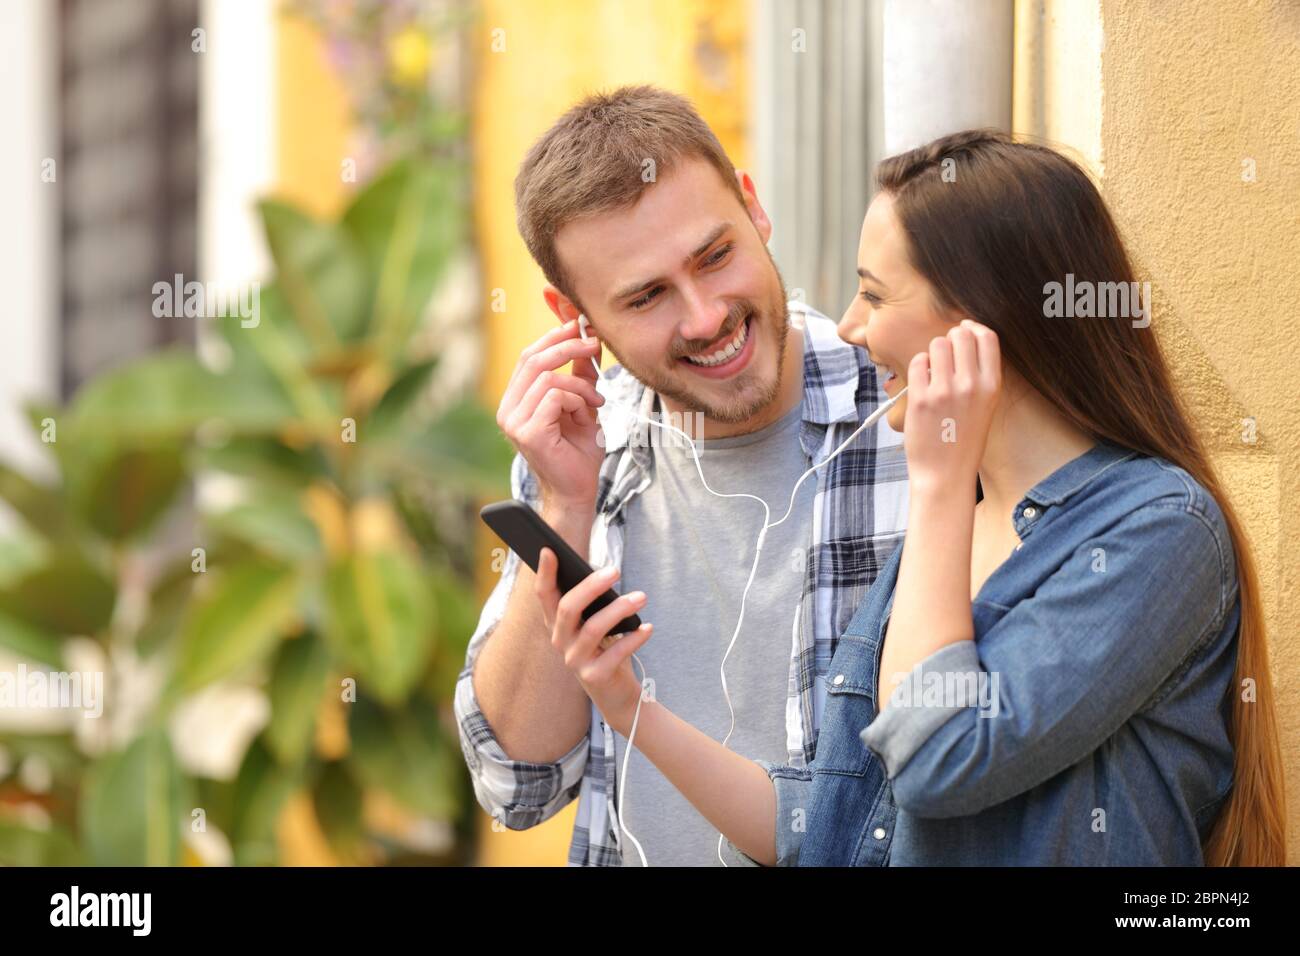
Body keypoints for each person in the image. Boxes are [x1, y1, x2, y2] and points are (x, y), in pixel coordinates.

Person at [539, 129, 1287, 866]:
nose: (851, 326)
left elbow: (936, 757)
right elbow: (831, 824)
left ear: (979, 319)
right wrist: (626, 706)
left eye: (873, 293)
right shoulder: (958, 523)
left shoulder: (1155, 530)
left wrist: (936, 483)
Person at [455, 85, 909, 866]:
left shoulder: (907, 418)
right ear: (576, 318)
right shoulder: (583, 454)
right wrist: (565, 508)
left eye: (715, 256)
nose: (704, 317)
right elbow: (515, 784)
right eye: (646, 296)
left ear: (753, 207)